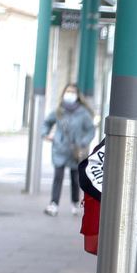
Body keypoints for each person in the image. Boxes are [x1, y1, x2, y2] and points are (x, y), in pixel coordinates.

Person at [41, 83, 95, 216]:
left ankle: (75, 203)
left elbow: (91, 130)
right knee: (58, 176)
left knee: (75, 178)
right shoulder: (59, 111)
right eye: (67, 91)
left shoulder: (83, 113)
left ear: (77, 96)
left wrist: (83, 143)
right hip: (59, 149)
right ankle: (54, 204)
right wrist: (46, 134)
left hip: (75, 151)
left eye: (72, 92)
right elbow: (47, 122)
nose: (69, 94)